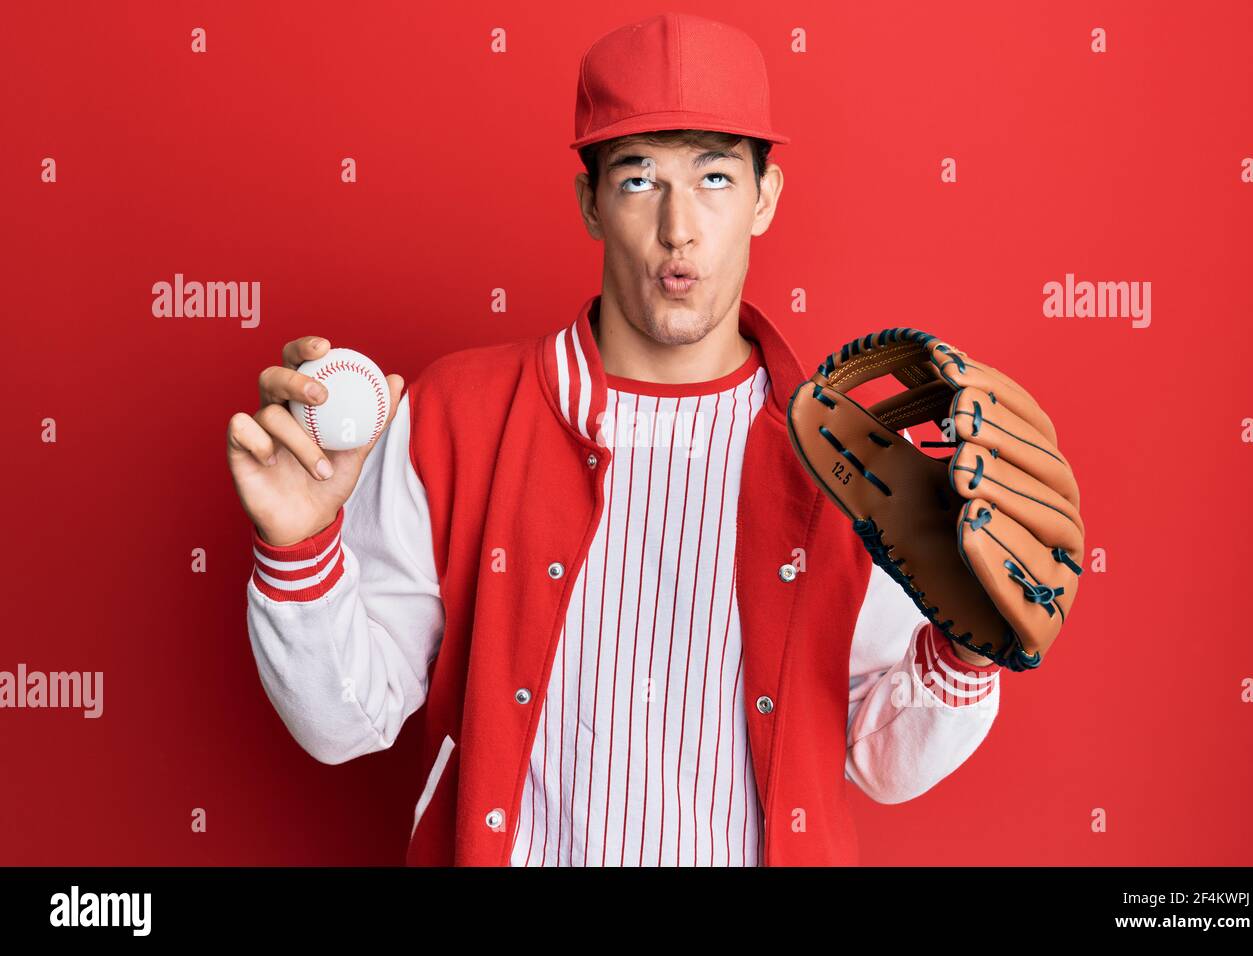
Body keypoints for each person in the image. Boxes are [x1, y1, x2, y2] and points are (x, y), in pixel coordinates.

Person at [226, 12, 1000, 867]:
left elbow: (878, 763)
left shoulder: (846, 457)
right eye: (639, 179)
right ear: (590, 203)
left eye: (713, 176)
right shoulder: (454, 414)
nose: (679, 228)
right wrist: (298, 546)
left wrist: (966, 647)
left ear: (764, 199)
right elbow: (345, 725)